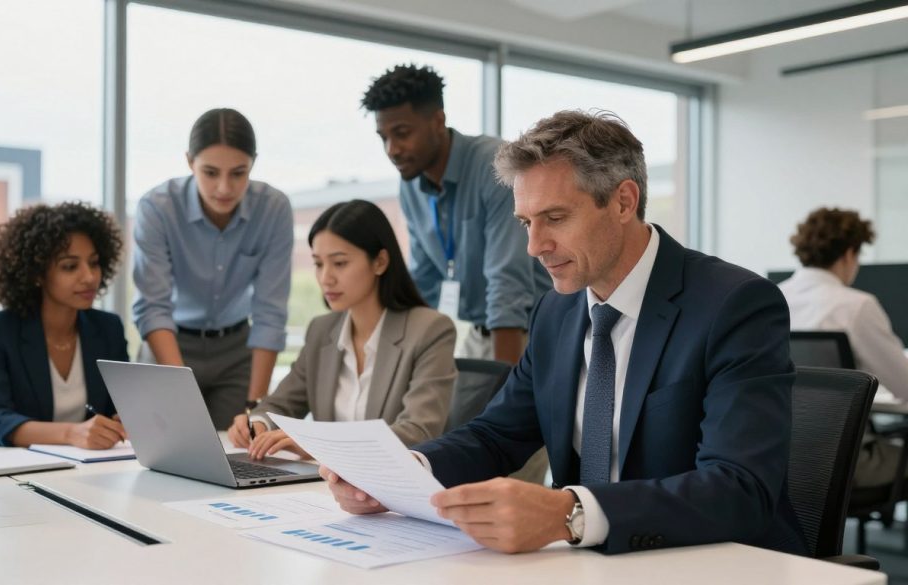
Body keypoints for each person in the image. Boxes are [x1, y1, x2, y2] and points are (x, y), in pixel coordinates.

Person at [321, 110, 805, 556]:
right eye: (526, 222)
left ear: (623, 201)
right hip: (589, 563)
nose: (534, 246)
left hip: (716, 562)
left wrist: (570, 513)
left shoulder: (733, 304)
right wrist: (398, 474)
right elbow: (496, 436)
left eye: (555, 218)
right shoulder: (557, 310)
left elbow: (739, 487)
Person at [226, 200, 456, 459]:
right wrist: (257, 424)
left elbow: (418, 431)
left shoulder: (430, 330)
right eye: (318, 264)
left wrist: (317, 445)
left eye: (339, 263)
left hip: (391, 489)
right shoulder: (321, 331)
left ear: (380, 262)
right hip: (325, 485)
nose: (326, 278)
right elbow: (280, 404)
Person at [361, 64, 551, 364]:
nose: (392, 149)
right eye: (383, 137)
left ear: (438, 120)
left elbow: (507, 283)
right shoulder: (411, 185)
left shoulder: (495, 166)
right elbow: (423, 280)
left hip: (533, 334)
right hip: (481, 334)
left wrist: (504, 389)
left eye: (401, 133)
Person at [133, 108, 293, 429]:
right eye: (210, 172)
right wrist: (181, 392)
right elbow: (153, 307)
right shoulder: (157, 207)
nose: (224, 188)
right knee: (166, 449)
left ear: (253, 164)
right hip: (170, 344)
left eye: (238, 173)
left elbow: (269, 314)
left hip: (236, 350)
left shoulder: (274, 209)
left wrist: (256, 407)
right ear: (189, 161)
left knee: (240, 455)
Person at [0, 202, 129, 448]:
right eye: (70, 266)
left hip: (92, 470)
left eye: (94, 262)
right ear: (36, 273)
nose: (89, 277)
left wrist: (126, 420)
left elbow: (118, 409)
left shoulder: (109, 329)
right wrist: (71, 434)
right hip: (19, 472)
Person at [779, 207, 908, 487]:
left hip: (782, 461)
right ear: (850, 253)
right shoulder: (856, 306)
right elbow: (905, 386)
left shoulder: (773, 297)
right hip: (845, 463)